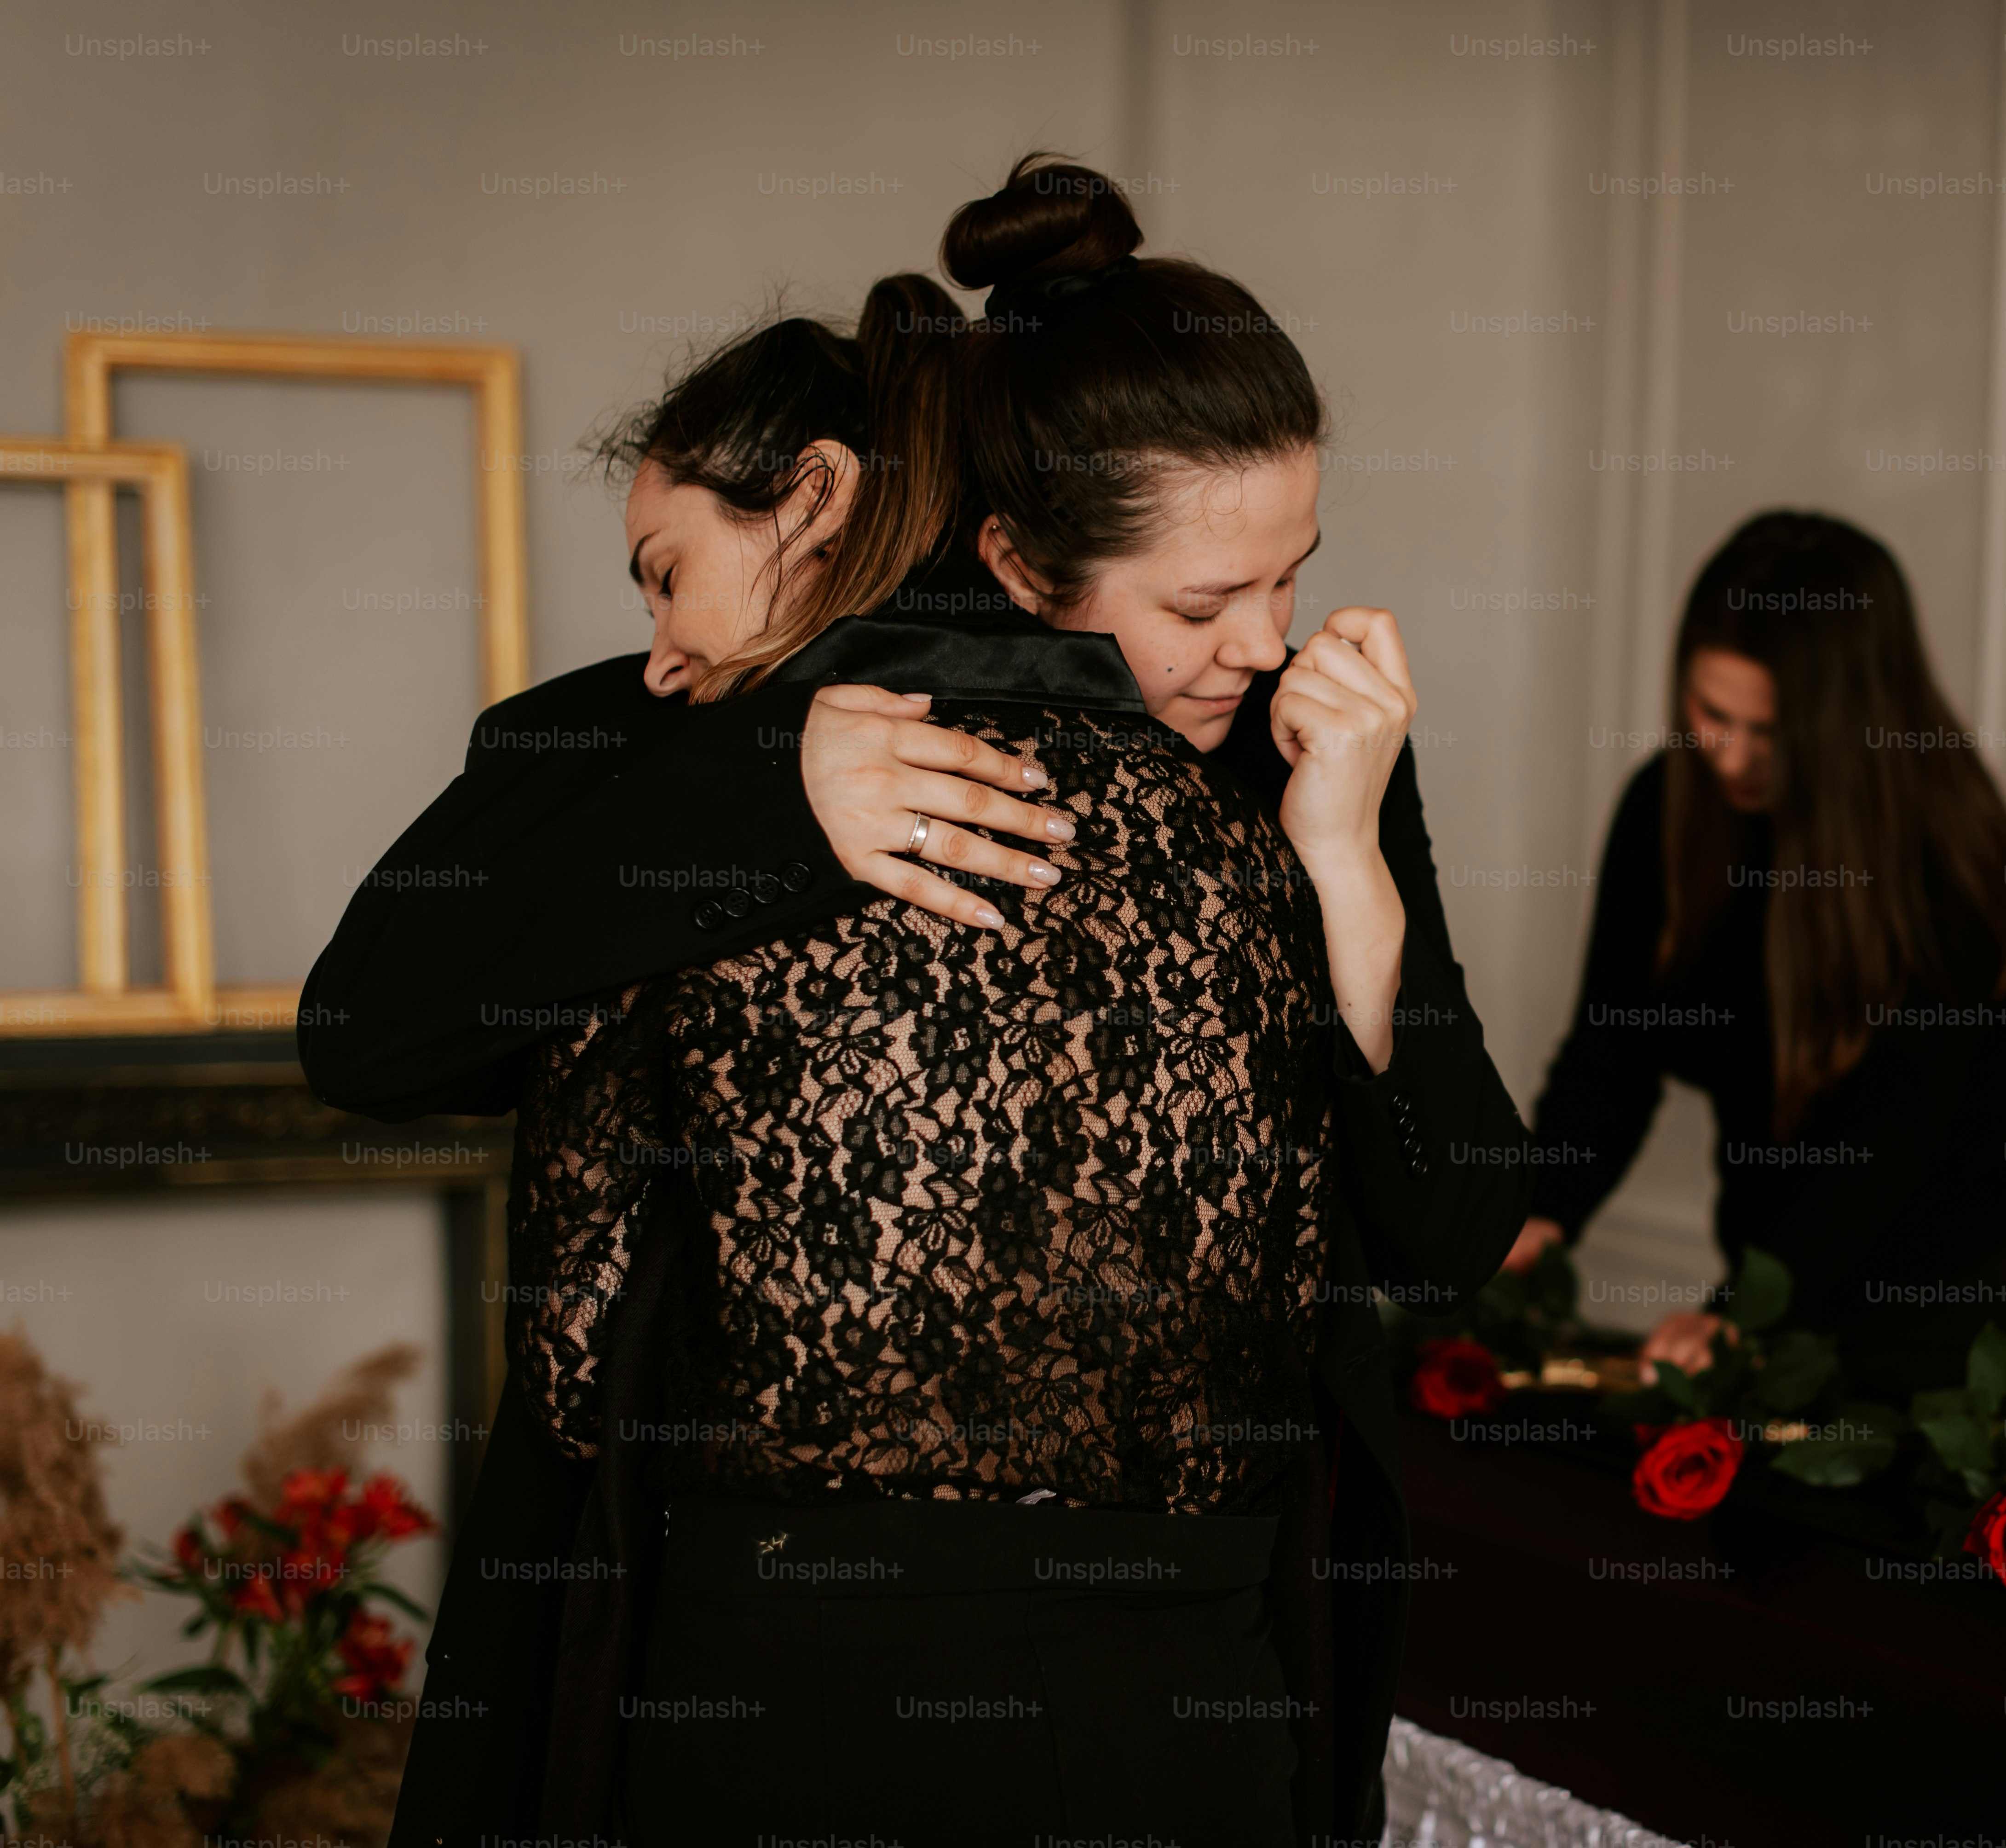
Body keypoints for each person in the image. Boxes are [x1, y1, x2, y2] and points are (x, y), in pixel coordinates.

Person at [361, 163, 1526, 1848]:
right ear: (1020, 562)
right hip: (781, 1673)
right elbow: (377, 1032)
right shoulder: (726, 717)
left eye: (1292, 574)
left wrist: (1343, 860)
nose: (1264, 644)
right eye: (1201, 604)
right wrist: (771, 787)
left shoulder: (1310, 754)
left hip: (1187, 1676)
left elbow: (1450, 1227)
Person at [1507, 511, 2006, 1400]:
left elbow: (1885, 1151)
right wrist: (1539, 1213)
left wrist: (1738, 1316)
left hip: (1980, 1327)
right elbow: (1613, 1053)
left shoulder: (1948, 856)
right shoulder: (1666, 809)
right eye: (1713, 713)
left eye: (1774, 732)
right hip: (1797, 1308)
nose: (1731, 757)